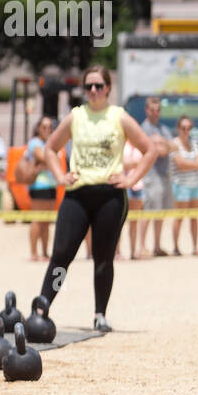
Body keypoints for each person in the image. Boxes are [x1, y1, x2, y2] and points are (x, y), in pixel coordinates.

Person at [36, 66, 156, 332]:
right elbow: (50, 148)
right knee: (61, 255)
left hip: (110, 196)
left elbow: (149, 149)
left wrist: (131, 179)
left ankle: (100, 314)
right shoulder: (76, 116)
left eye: (98, 86)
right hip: (77, 194)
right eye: (88, 86)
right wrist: (59, 175)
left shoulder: (119, 117)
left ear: (108, 88)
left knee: (103, 258)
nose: (93, 91)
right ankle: (43, 306)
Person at [138, 97, 173, 256]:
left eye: (158, 109)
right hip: (151, 176)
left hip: (164, 175)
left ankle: (157, 246)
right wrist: (161, 145)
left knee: (160, 213)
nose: (156, 113)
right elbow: (158, 150)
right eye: (152, 109)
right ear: (146, 110)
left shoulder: (162, 128)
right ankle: (141, 246)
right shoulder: (143, 128)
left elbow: (173, 147)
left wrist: (161, 141)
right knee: (149, 211)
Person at [20, 117, 58, 261]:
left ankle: (45, 252)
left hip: (50, 185)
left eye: (50, 127)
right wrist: (50, 159)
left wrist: (49, 160)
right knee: (37, 220)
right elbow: (43, 157)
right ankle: (34, 253)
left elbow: (48, 159)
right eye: (44, 127)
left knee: (46, 222)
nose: (47, 130)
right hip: (38, 186)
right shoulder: (35, 143)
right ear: (38, 128)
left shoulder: (47, 143)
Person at [169, 116, 198, 255]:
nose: (186, 131)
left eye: (189, 128)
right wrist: (194, 165)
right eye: (184, 128)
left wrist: (191, 165)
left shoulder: (193, 143)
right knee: (179, 217)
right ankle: (176, 247)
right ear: (178, 129)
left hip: (195, 185)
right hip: (180, 186)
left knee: (194, 218)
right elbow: (180, 164)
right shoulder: (174, 144)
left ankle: (195, 247)